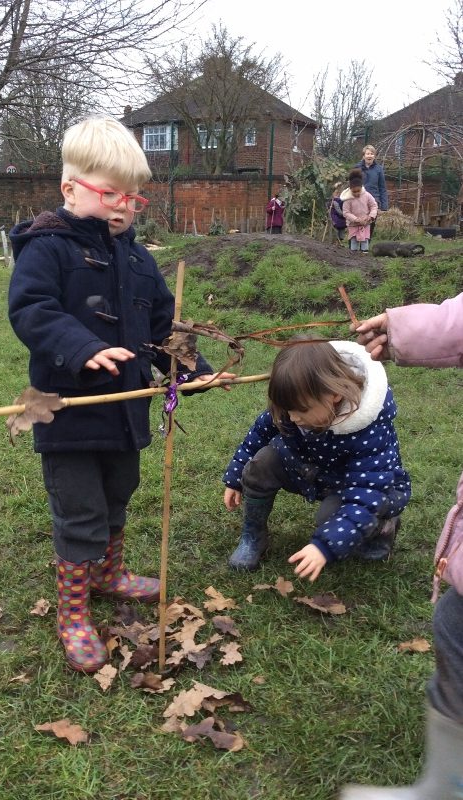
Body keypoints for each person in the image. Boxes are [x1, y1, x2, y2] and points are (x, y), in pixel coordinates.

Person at [8, 116, 233, 673]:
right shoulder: (47, 249)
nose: (123, 206)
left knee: (117, 493)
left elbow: (162, 325)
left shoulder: (137, 258)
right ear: (70, 188)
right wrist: (81, 346)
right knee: (80, 509)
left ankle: (109, 573)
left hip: (127, 410)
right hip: (71, 414)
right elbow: (32, 311)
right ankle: (74, 612)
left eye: (133, 197)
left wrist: (191, 369)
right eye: (109, 193)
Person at [341, 293, 463, 799]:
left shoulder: (372, 439)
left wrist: (328, 546)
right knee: (454, 625)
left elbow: (369, 488)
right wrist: (402, 327)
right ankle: (446, 782)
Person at [222, 339, 411, 577]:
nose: (293, 418)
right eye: (286, 410)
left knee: (330, 516)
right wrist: (235, 478)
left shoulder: (368, 429)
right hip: (311, 471)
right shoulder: (293, 407)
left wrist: (324, 547)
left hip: (363, 488)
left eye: (301, 411)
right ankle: (254, 535)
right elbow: (258, 434)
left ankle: (383, 526)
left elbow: (366, 493)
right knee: (262, 462)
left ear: (333, 395)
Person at [355, 145, 388, 239]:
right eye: (368, 153)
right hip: (359, 199)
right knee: (357, 222)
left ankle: (366, 245)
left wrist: (384, 206)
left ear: (374, 156)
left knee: (370, 223)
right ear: (364, 155)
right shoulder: (357, 168)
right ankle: (354, 246)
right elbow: (352, 185)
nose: (369, 156)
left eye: (372, 154)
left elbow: (382, 187)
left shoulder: (379, 169)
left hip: (374, 200)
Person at [342, 168, 378, 253]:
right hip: (353, 224)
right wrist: (356, 219)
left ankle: (364, 254)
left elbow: (374, 206)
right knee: (353, 239)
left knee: (365, 239)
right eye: (354, 192)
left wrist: (370, 217)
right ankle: (353, 255)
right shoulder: (348, 199)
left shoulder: (367, 195)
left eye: (358, 191)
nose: (356, 193)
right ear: (350, 189)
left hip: (365, 223)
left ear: (361, 187)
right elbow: (346, 212)